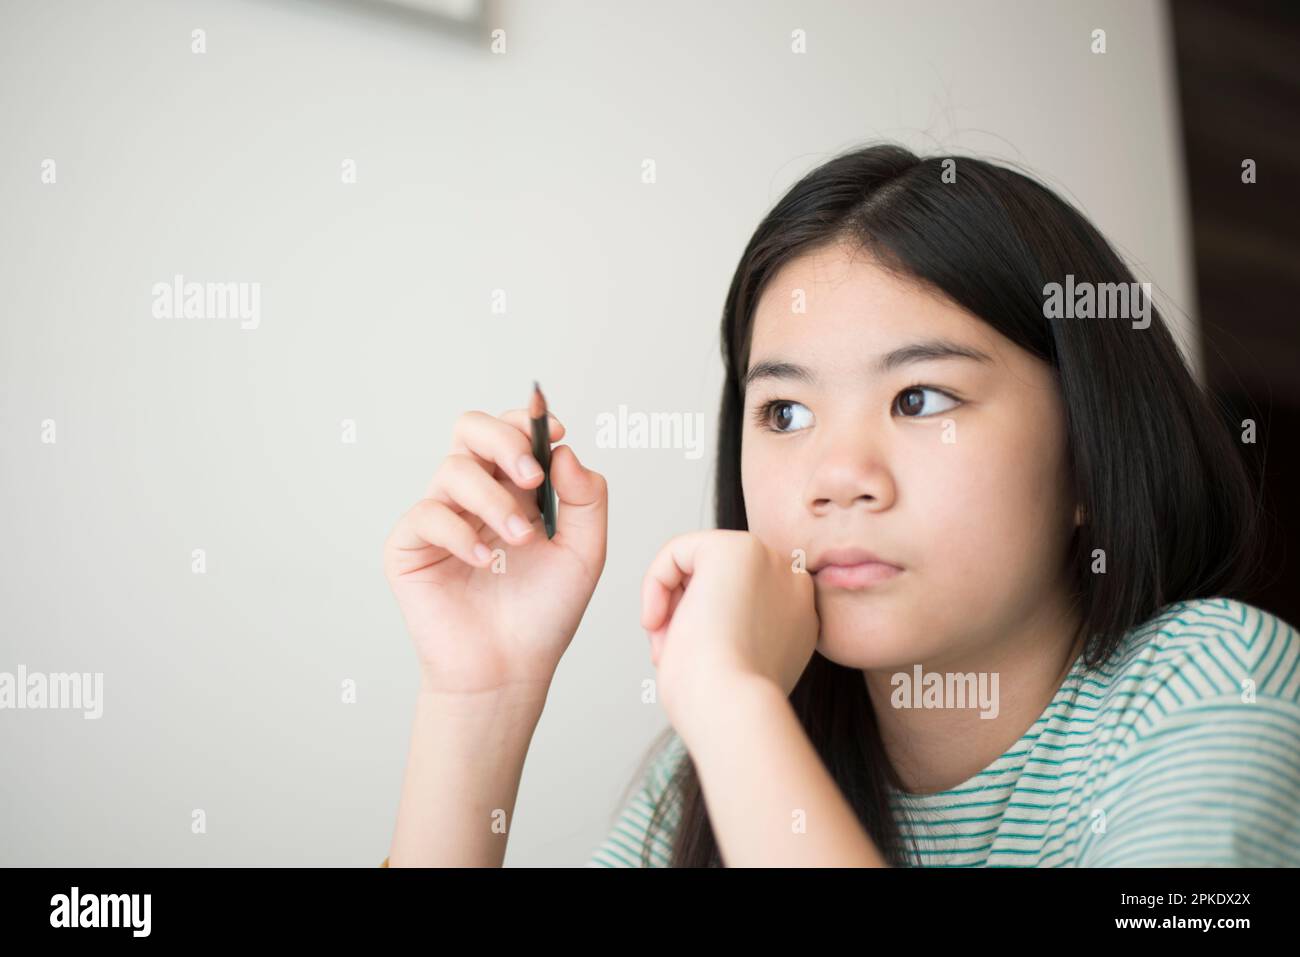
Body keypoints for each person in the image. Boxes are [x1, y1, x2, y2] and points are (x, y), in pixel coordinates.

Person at [383, 143, 1300, 868]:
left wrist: (735, 710)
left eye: (920, 399)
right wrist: (482, 694)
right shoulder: (728, 752)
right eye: (784, 412)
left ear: (1092, 453)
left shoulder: (1211, 680)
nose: (836, 475)